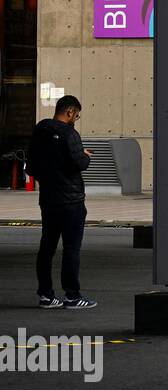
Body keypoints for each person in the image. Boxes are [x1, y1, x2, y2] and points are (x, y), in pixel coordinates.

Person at [28, 95, 96, 309]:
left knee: (47, 247)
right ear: (70, 112)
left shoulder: (40, 131)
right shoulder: (70, 133)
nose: (76, 118)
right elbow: (80, 163)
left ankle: (46, 295)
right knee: (71, 248)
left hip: (48, 199)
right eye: (76, 114)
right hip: (72, 200)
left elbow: (31, 167)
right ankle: (72, 296)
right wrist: (85, 155)